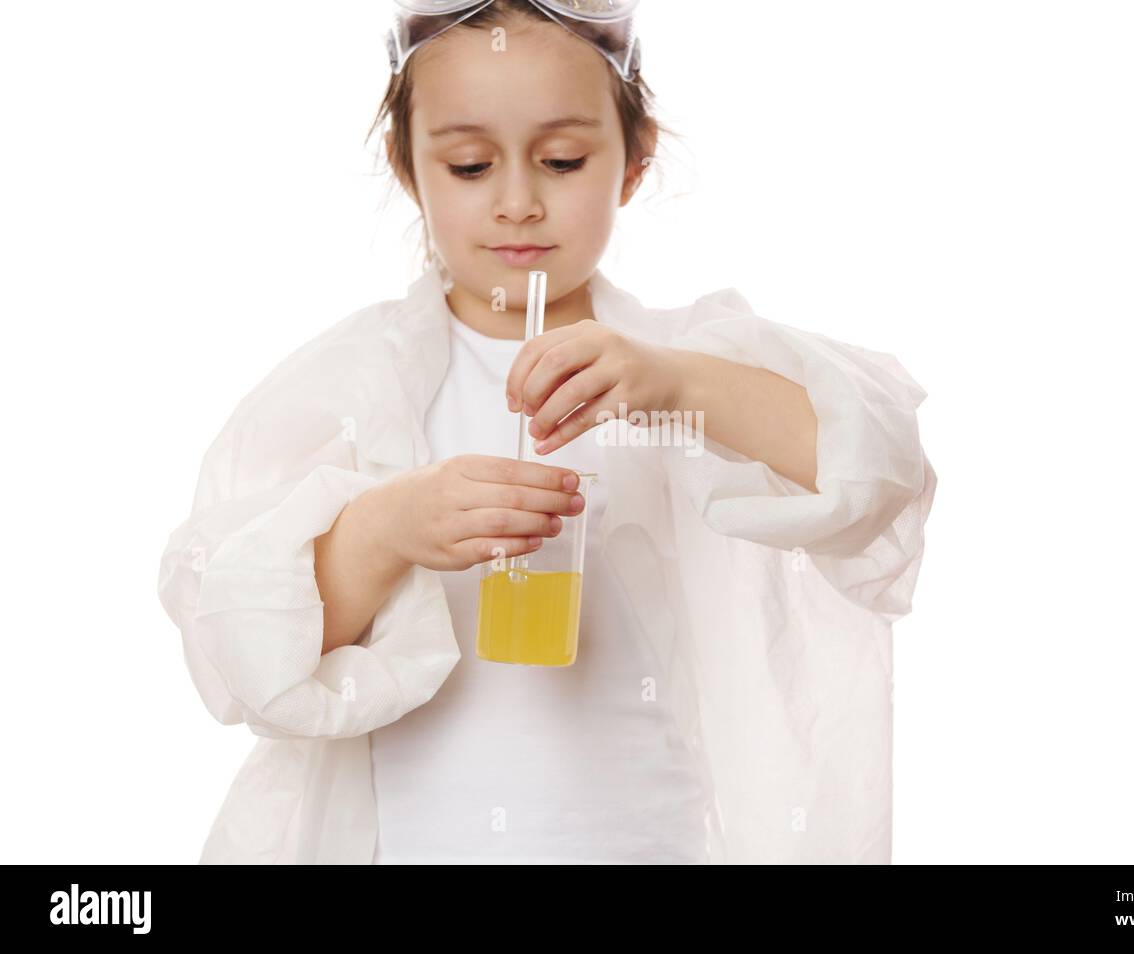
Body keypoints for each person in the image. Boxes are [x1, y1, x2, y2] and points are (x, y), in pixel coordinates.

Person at [156, 0, 938, 864]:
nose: (518, 204)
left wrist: (681, 382)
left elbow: (878, 473)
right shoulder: (345, 387)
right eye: (469, 165)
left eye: (563, 160)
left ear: (634, 162)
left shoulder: (679, 362)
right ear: (407, 165)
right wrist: (388, 528)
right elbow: (244, 648)